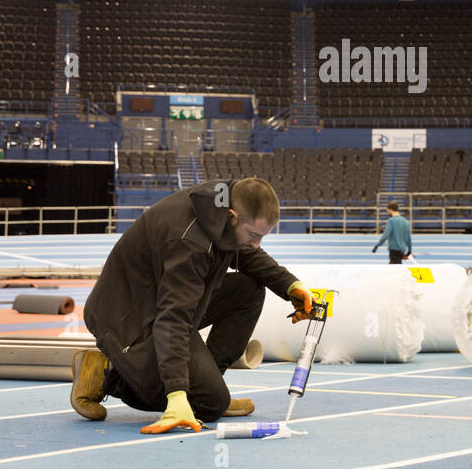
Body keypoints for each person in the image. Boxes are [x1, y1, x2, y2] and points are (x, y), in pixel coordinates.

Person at [72, 177, 315, 434]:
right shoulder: (190, 243)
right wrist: (177, 394)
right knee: (211, 405)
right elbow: (173, 319)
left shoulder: (223, 204)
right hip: (126, 319)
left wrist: (291, 286)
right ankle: (107, 373)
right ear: (232, 216)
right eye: (254, 235)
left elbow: (245, 252)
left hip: (160, 301)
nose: (256, 244)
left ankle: (207, 382)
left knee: (248, 289)